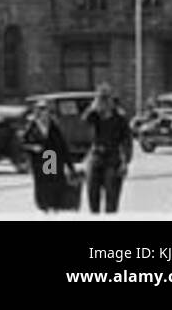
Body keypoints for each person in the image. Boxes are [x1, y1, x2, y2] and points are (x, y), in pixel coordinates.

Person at [81, 83, 133, 214]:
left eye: (106, 98)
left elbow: (127, 141)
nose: (104, 102)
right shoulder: (95, 116)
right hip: (96, 156)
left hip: (113, 159)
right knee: (92, 193)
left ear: (111, 100)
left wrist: (126, 162)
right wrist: (94, 106)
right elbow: (85, 119)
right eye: (101, 98)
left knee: (111, 199)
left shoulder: (120, 118)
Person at [22, 100, 74, 212]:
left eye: (45, 110)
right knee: (41, 186)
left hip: (52, 159)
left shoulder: (54, 126)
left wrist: (70, 167)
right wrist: (33, 148)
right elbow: (23, 144)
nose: (44, 113)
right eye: (41, 110)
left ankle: (54, 208)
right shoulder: (32, 126)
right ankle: (44, 208)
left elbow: (63, 146)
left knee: (54, 185)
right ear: (37, 112)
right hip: (39, 161)